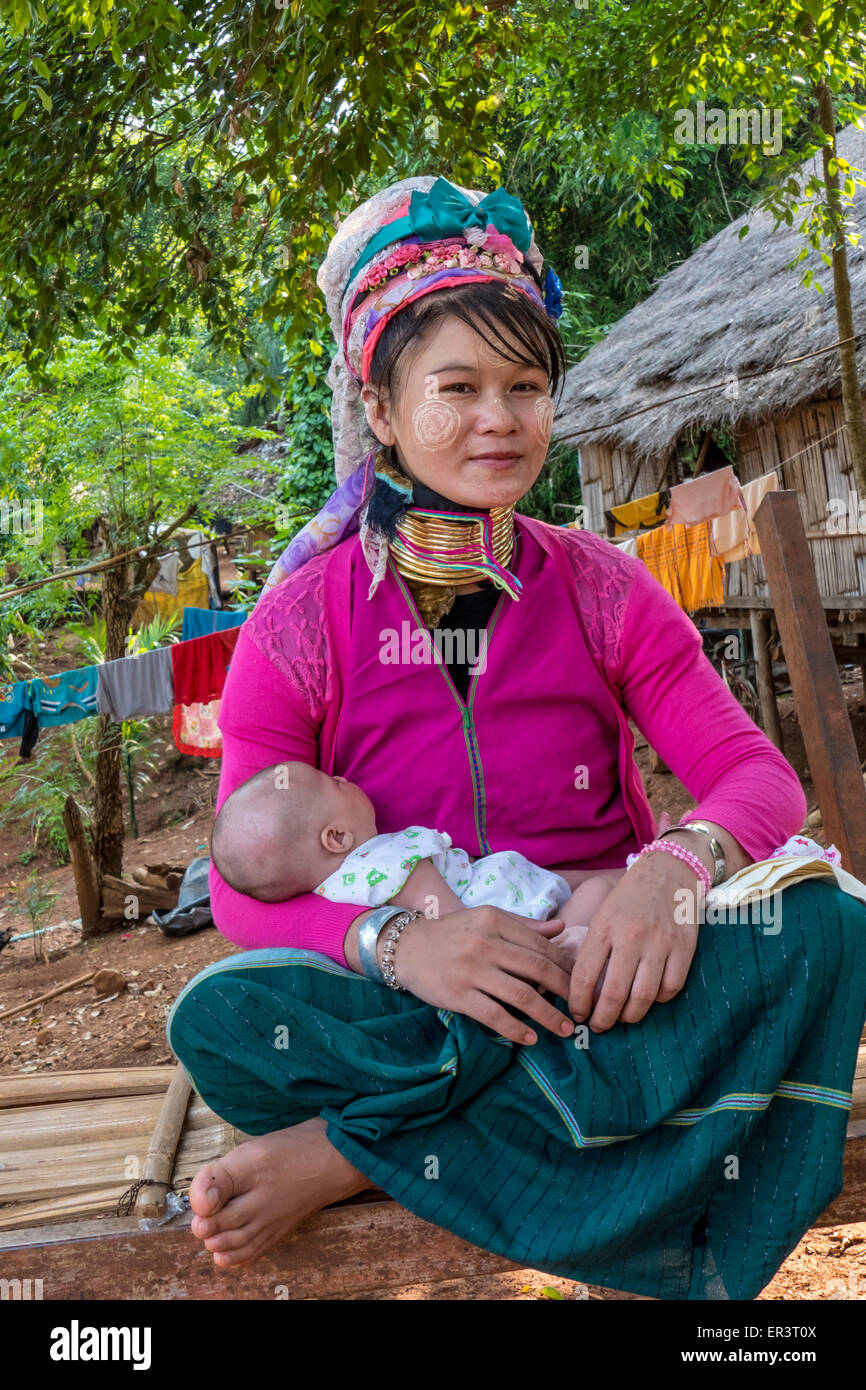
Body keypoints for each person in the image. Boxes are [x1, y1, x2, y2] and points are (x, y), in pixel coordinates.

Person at [167, 175, 866, 1300]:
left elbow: (752, 779)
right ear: (382, 410)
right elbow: (244, 890)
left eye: (525, 386)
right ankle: (526, 1125)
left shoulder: (603, 588)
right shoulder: (294, 629)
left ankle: (355, 1147)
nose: (498, 418)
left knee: (827, 924)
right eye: (456, 387)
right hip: (411, 995)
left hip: (600, 973)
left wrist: (669, 874)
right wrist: (404, 946)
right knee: (220, 1015)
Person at [208, 759, 624, 960]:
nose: (344, 778)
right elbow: (461, 925)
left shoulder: (334, 892)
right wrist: (543, 946)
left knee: (589, 882)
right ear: (336, 837)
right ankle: (574, 953)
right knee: (599, 889)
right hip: (525, 925)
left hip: (516, 894)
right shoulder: (389, 862)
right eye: (334, 782)